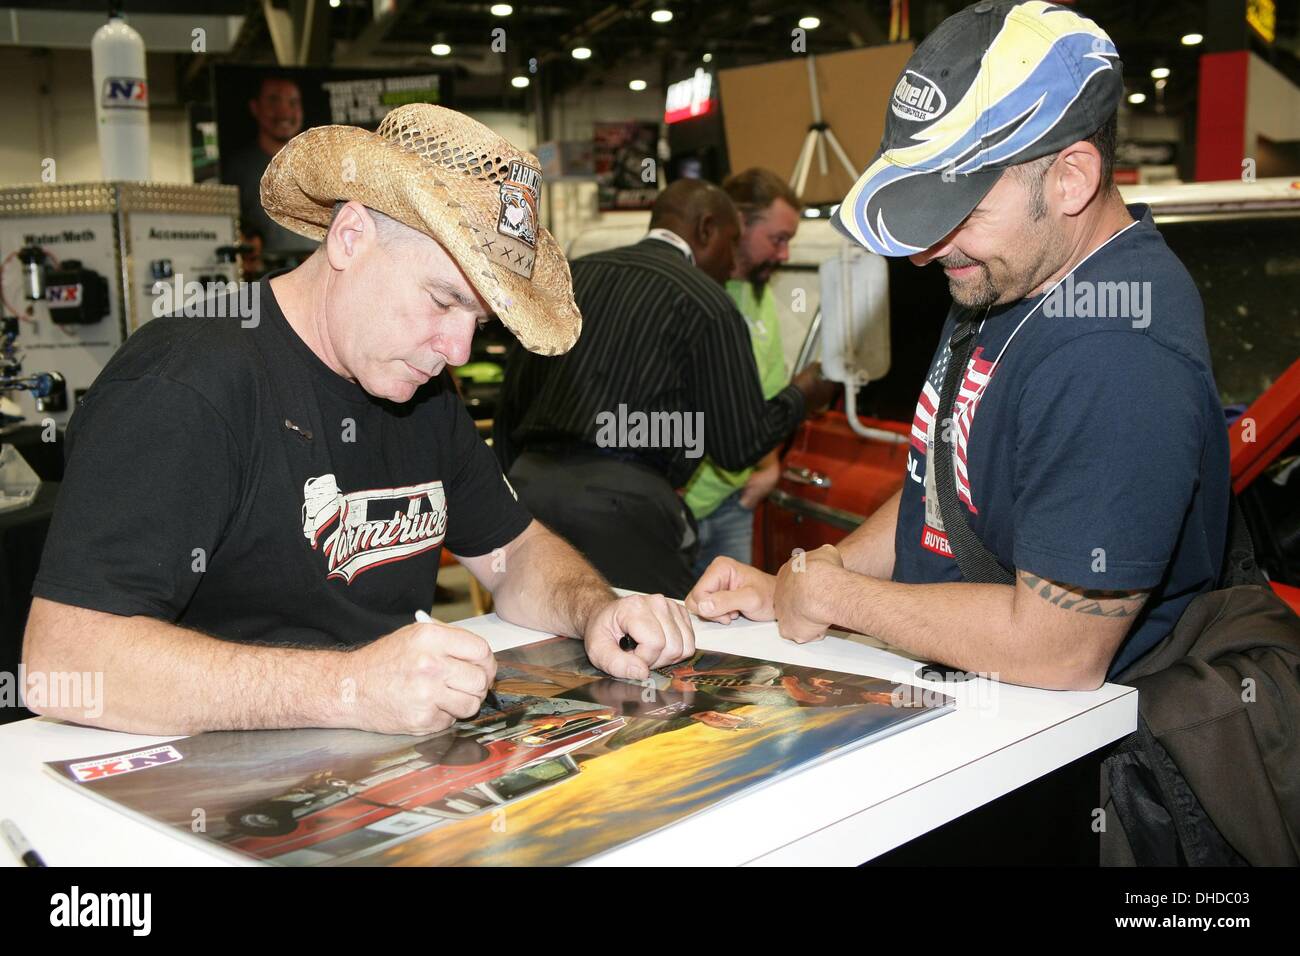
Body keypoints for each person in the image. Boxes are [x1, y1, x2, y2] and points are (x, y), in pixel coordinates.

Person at [22, 104, 697, 736]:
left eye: (478, 322)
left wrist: (596, 608)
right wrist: (347, 686)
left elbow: (511, 553)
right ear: (350, 236)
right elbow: (62, 664)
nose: (457, 350)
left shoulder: (420, 389)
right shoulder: (186, 384)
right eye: (441, 300)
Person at [687, 0, 1231, 691]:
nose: (926, 252)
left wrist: (836, 598)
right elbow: (938, 488)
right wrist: (811, 577)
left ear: (1072, 178)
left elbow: (1058, 652)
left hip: (1055, 767)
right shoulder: (1006, 270)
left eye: (959, 210)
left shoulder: (1120, 354)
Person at [494, 179, 837, 599]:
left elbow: (511, 400)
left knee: (537, 640)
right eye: (731, 245)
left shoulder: (572, 276)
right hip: (624, 511)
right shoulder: (707, 302)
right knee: (652, 648)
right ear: (707, 229)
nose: (732, 265)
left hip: (529, 492)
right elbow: (737, 447)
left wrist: (513, 486)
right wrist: (802, 394)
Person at [684, 168, 803, 576]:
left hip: (734, 502)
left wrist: (768, 465)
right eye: (778, 239)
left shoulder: (759, 294)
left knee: (729, 631)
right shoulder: (693, 292)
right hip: (681, 505)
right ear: (738, 223)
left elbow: (765, 396)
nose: (784, 254)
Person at [222, 74, 314, 258]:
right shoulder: (237, 169)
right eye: (273, 100)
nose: (284, 112)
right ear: (255, 108)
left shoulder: (324, 163)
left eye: (293, 102)